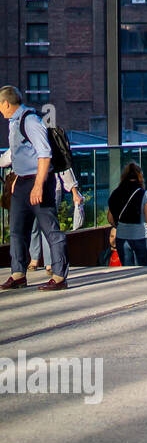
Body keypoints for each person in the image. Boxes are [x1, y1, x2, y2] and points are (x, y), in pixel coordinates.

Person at [0, 85, 68, 291]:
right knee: (17, 230)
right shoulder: (14, 122)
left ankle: (59, 277)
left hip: (38, 181)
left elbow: (44, 153)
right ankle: (18, 274)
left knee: (50, 230)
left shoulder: (29, 120)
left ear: (6, 103)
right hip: (21, 181)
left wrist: (38, 185)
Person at [108, 162, 147, 267]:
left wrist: (122, 227)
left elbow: (110, 218)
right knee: (142, 271)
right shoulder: (145, 194)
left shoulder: (115, 193)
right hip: (141, 237)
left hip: (122, 237)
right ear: (140, 177)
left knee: (127, 271)